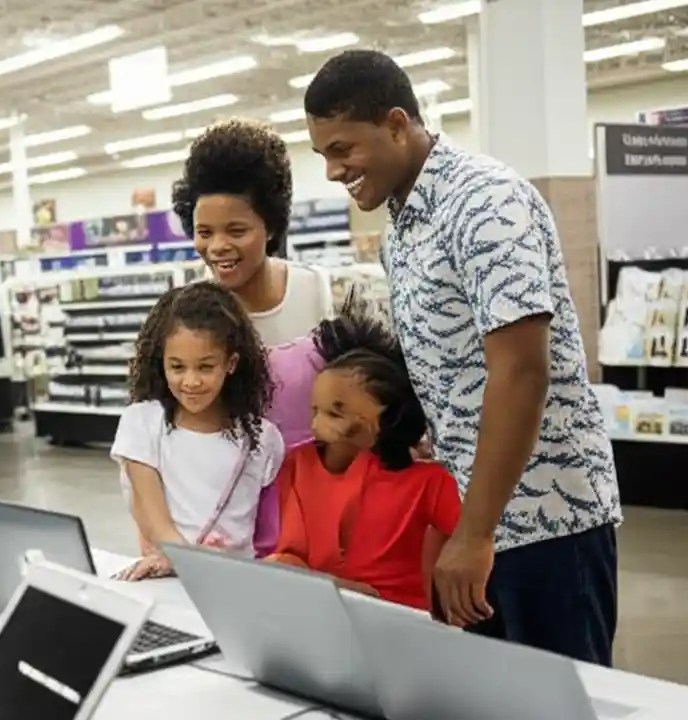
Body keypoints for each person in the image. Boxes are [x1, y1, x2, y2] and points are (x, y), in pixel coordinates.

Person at [303, 49, 622, 665]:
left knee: (558, 705)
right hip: (474, 521)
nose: (333, 170)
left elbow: (523, 371)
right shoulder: (403, 228)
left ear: (397, 124)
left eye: (343, 149)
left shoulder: (486, 202)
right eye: (324, 155)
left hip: (543, 522)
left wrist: (476, 534)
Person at [173, 118, 335, 554]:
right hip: (226, 522)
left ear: (271, 226)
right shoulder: (189, 314)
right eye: (204, 233)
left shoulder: (320, 293)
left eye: (237, 230)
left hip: (321, 513)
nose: (217, 247)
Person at [268, 312, 460, 612]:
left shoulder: (428, 481)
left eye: (335, 413)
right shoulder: (298, 464)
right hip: (319, 612)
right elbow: (290, 555)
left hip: (401, 625)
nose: (317, 423)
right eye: (315, 409)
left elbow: (474, 541)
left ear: (385, 418)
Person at [110, 282, 285, 581]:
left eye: (205, 367)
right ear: (161, 363)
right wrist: (185, 560)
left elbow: (269, 536)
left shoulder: (263, 439)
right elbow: (156, 522)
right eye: (177, 367)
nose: (191, 381)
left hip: (236, 584)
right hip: (170, 580)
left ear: (230, 364)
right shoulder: (142, 423)